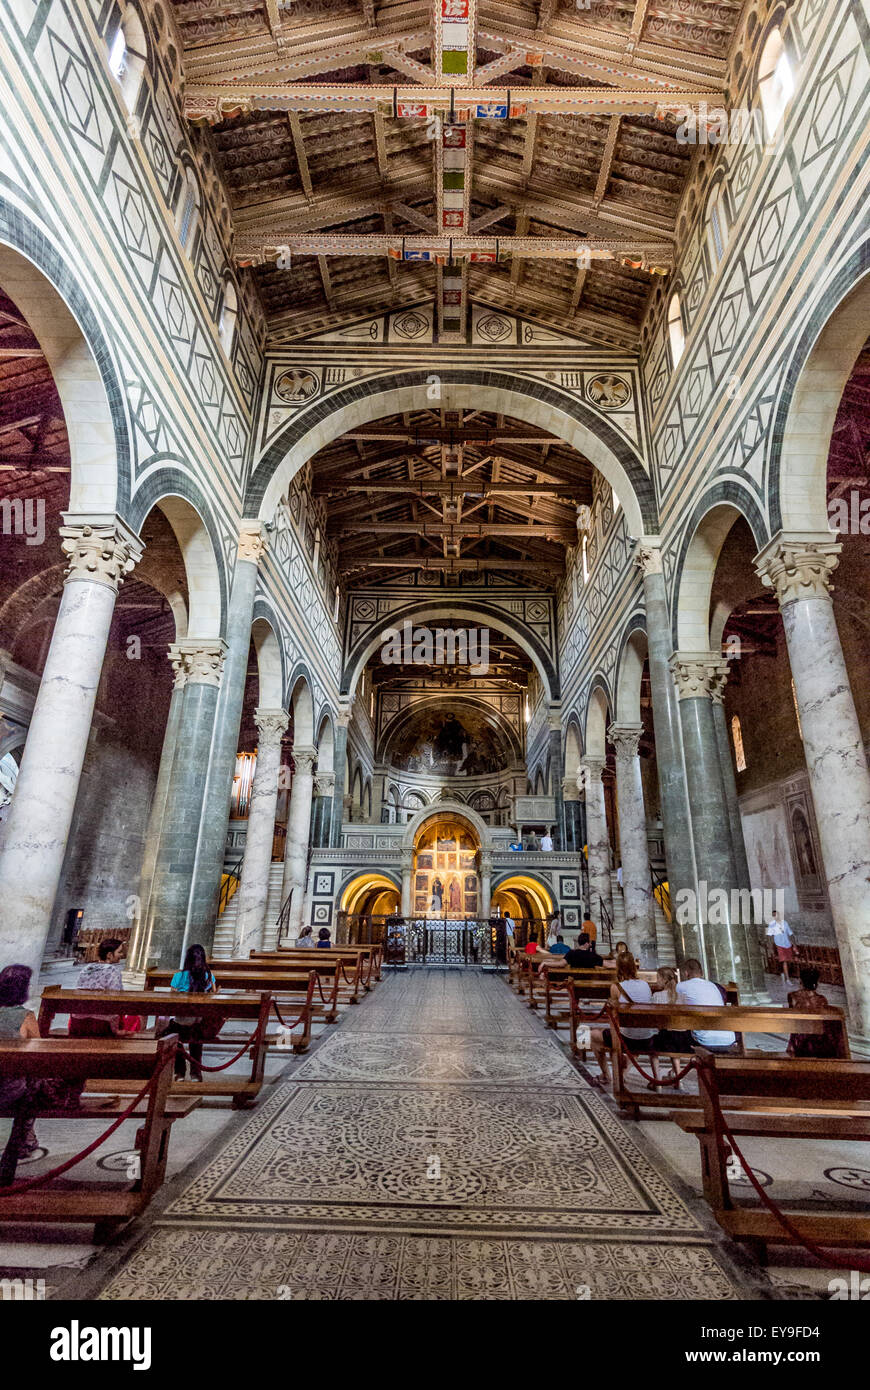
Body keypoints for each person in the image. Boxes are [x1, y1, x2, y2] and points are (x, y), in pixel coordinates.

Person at [589, 955, 657, 1088]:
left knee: (590, 1035)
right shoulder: (646, 985)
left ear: (618, 968)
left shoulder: (616, 987)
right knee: (634, 1037)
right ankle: (623, 1073)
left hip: (626, 1038)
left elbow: (614, 1018)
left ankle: (606, 1075)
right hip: (646, 1037)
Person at [161, 944, 221, 1081]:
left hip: (180, 1023)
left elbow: (173, 1001)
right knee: (196, 1039)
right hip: (198, 1024)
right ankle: (195, 1073)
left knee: (173, 1033)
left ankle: (179, 1072)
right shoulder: (209, 977)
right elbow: (214, 999)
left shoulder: (178, 977)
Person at [675, 958, 737, 1052]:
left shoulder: (681, 986)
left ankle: (677, 1065)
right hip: (729, 1040)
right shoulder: (713, 986)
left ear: (686, 973)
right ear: (702, 972)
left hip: (705, 1041)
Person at [70, 936, 126, 1037]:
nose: (121, 955)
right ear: (109, 955)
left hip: (77, 1021)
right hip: (102, 1024)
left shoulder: (87, 968)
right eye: (119, 952)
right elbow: (116, 998)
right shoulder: (112, 970)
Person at [787, 966, 842, 1058]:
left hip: (800, 1039)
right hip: (818, 1039)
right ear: (816, 982)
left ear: (801, 981)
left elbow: (793, 1019)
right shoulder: (822, 999)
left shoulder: (792, 996)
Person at [651, 965, 691, 1059]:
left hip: (666, 1038)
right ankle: (677, 1071)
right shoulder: (682, 996)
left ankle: (656, 1073)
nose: (656, 981)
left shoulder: (657, 995)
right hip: (683, 1038)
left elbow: (653, 1018)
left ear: (664, 980)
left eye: (658, 978)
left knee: (652, 1042)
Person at [766, 910, 796, 982]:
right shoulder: (771, 925)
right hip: (779, 945)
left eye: (776, 915)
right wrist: (770, 947)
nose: (775, 917)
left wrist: (794, 944)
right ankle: (788, 979)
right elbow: (769, 936)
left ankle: (784, 973)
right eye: (773, 916)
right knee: (784, 961)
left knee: (788, 961)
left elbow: (790, 933)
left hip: (787, 944)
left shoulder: (785, 923)